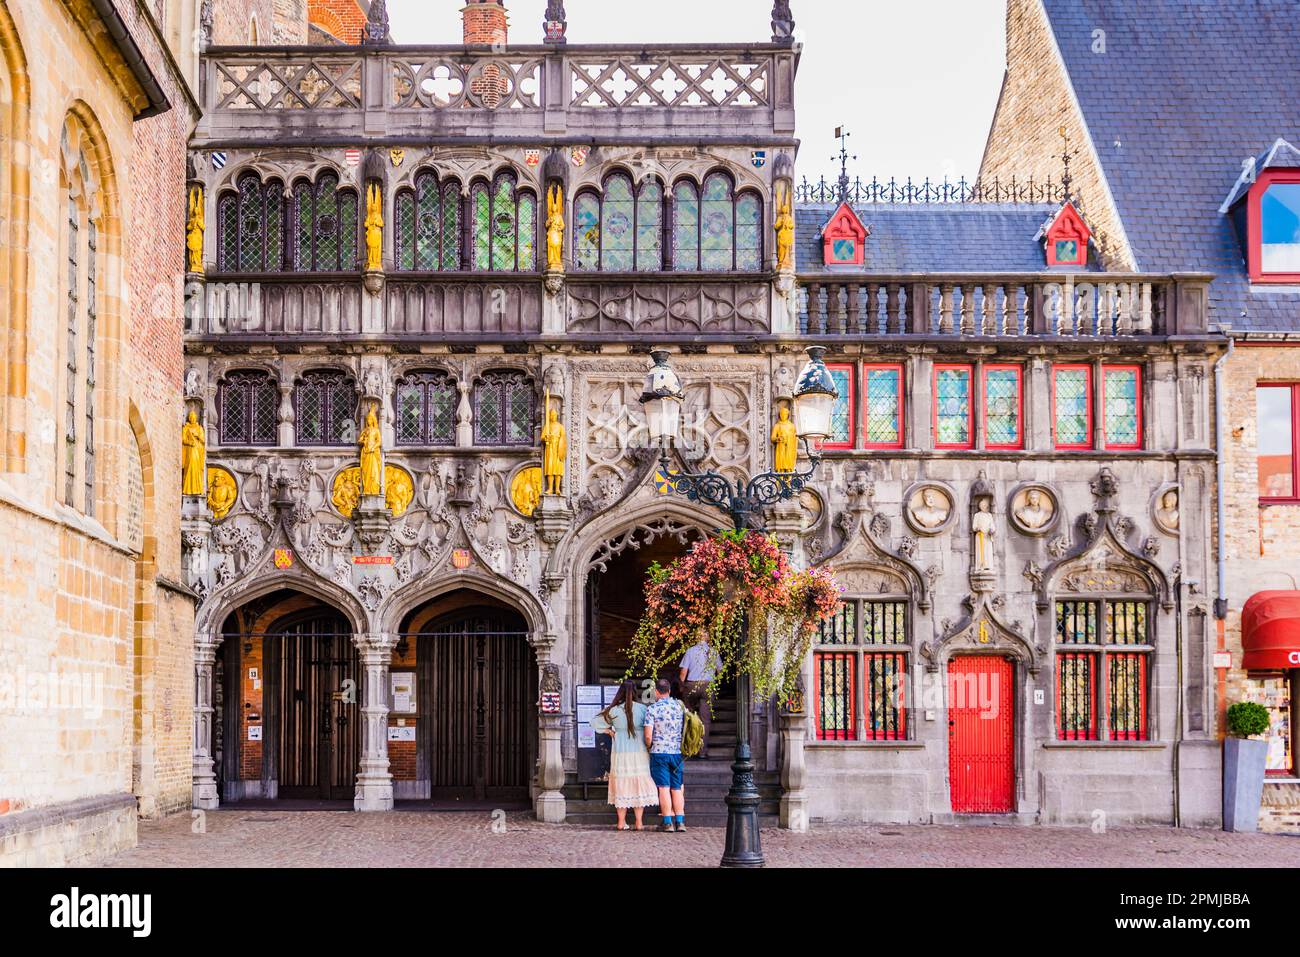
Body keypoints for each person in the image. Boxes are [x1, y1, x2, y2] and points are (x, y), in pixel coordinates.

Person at [588, 681, 658, 831]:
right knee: (639, 783)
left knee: (622, 783)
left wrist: (610, 732)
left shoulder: (614, 710)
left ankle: (621, 822)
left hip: (620, 752)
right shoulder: (643, 709)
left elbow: (594, 722)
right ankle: (639, 822)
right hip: (639, 751)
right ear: (635, 692)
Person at [644, 678, 687, 832]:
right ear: (669, 691)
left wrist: (649, 747)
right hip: (676, 753)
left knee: (663, 788)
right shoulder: (679, 707)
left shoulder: (652, 709)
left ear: (656, 691)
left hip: (659, 753)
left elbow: (648, 736)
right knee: (676, 787)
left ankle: (667, 822)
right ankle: (680, 822)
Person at [678, 637, 719, 759]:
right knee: (705, 720)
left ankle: (688, 749)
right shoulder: (713, 651)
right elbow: (720, 670)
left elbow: (683, 672)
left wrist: (681, 686)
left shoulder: (690, 651)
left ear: (697, 638)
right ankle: (702, 751)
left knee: (688, 716)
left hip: (691, 685)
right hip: (708, 685)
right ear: (708, 639)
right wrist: (715, 682)